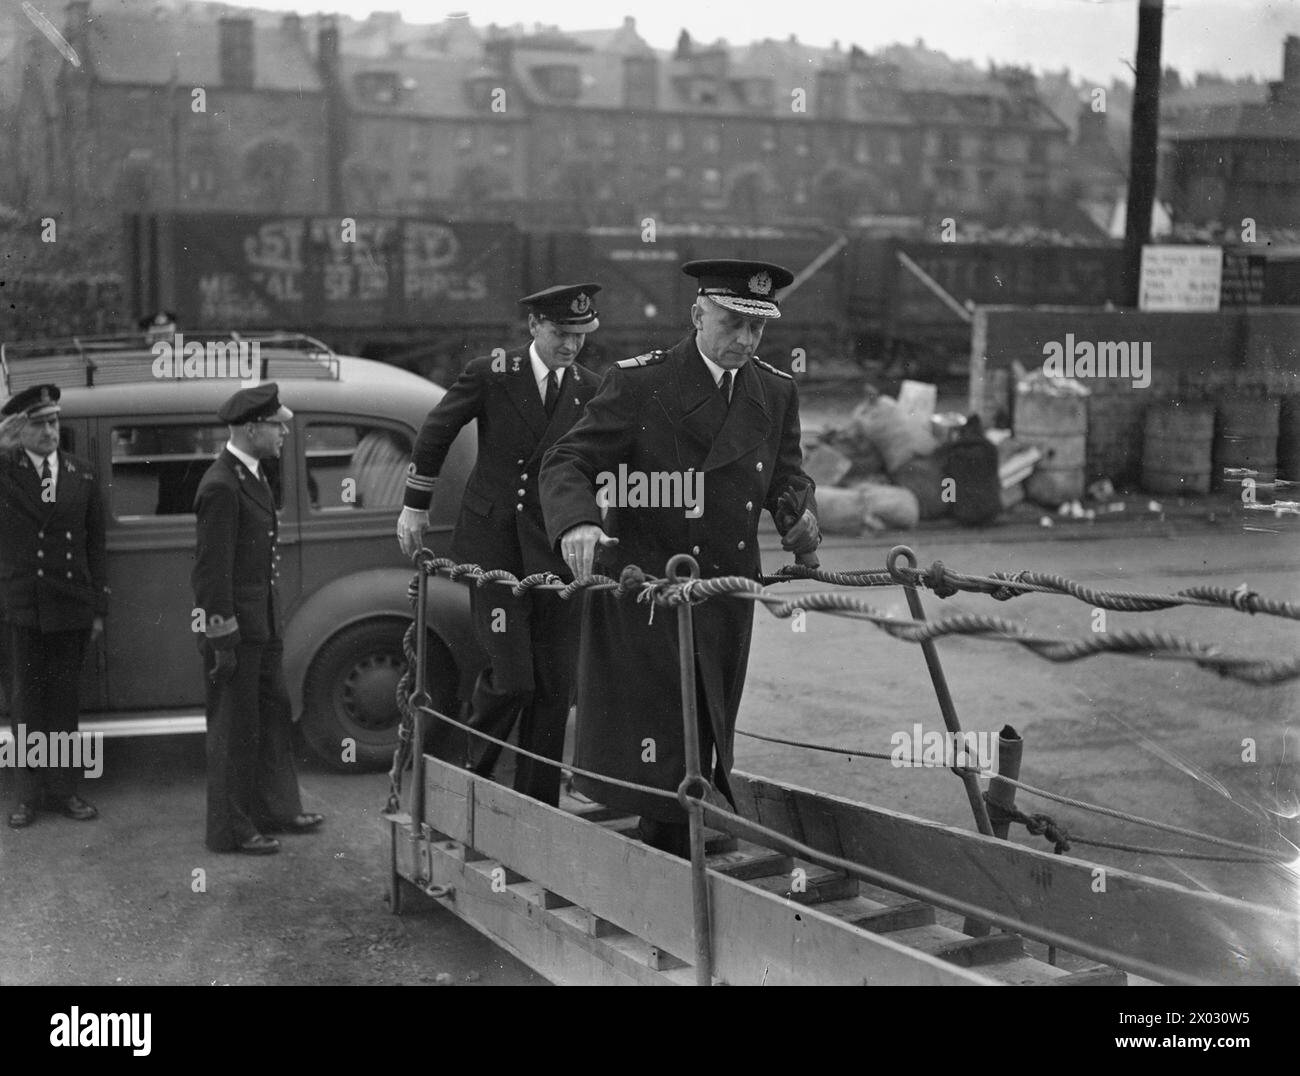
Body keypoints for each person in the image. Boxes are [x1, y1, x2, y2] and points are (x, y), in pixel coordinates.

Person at [541, 259, 821, 856]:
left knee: (709, 714)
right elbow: (568, 461)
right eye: (732, 323)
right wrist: (579, 521)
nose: (745, 340)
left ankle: (679, 828)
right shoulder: (642, 383)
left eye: (757, 328)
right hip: (653, 587)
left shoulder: (775, 390)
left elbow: (785, 475)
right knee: (663, 729)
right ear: (698, 315)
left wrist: (799, 513)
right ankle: (668, 841)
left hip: (726, 590)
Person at [396, 283, 602, 807]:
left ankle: (537, 807)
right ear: (533, 326)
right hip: (496, 551)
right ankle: (468, 785)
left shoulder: (591, 390)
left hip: (557, 555)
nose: (570, 346)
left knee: (556, 688)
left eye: (580, 336)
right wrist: (414, 504)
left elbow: (607, 464)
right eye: (560, 333)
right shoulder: (494, 373)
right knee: (512, 679)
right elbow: (437, 430)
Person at [192, 383, 323, 855]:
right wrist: (222, 636)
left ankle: (274, 808)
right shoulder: (222, 484)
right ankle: (232, 829)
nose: (284, 432)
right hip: (236, 630)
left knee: (270, 715)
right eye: (277, 426)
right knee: (234, 728)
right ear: (252, 429)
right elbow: (210, 571)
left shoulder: (250, 474)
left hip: (260, 623)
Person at [0, 384, 108, 828]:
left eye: (54, 421)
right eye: (40, 423)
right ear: (19, 430)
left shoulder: (81, 473)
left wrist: (98, 608)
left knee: (64, 701)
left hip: (70, 606)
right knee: (25, 703)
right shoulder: (4, 472)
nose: (51, 431)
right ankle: (27, 794)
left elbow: (94, 546)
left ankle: (64, 790)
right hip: (22, 607)